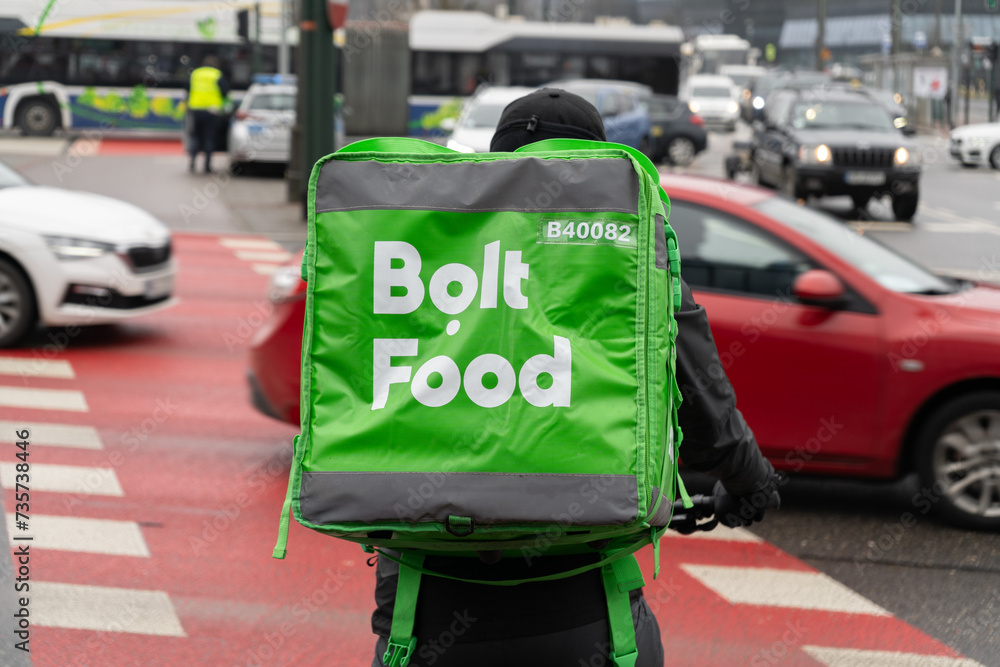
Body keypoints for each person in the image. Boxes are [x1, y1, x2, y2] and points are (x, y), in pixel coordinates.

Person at [371, 88, 781, 667]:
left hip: (424, 621)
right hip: (587, 620)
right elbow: (702, 399)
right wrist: (750, 483)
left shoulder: (427, 249)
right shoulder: (632, 252)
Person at [186, 55, 229, 174]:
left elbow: (187, 89)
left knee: (195, 136)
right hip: (212, 110)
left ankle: (193, 161)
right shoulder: (216, 74)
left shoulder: (195, 73)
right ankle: (207, 165)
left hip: (196, 109)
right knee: (209, 137)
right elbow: (225, 91)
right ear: (214, 64)